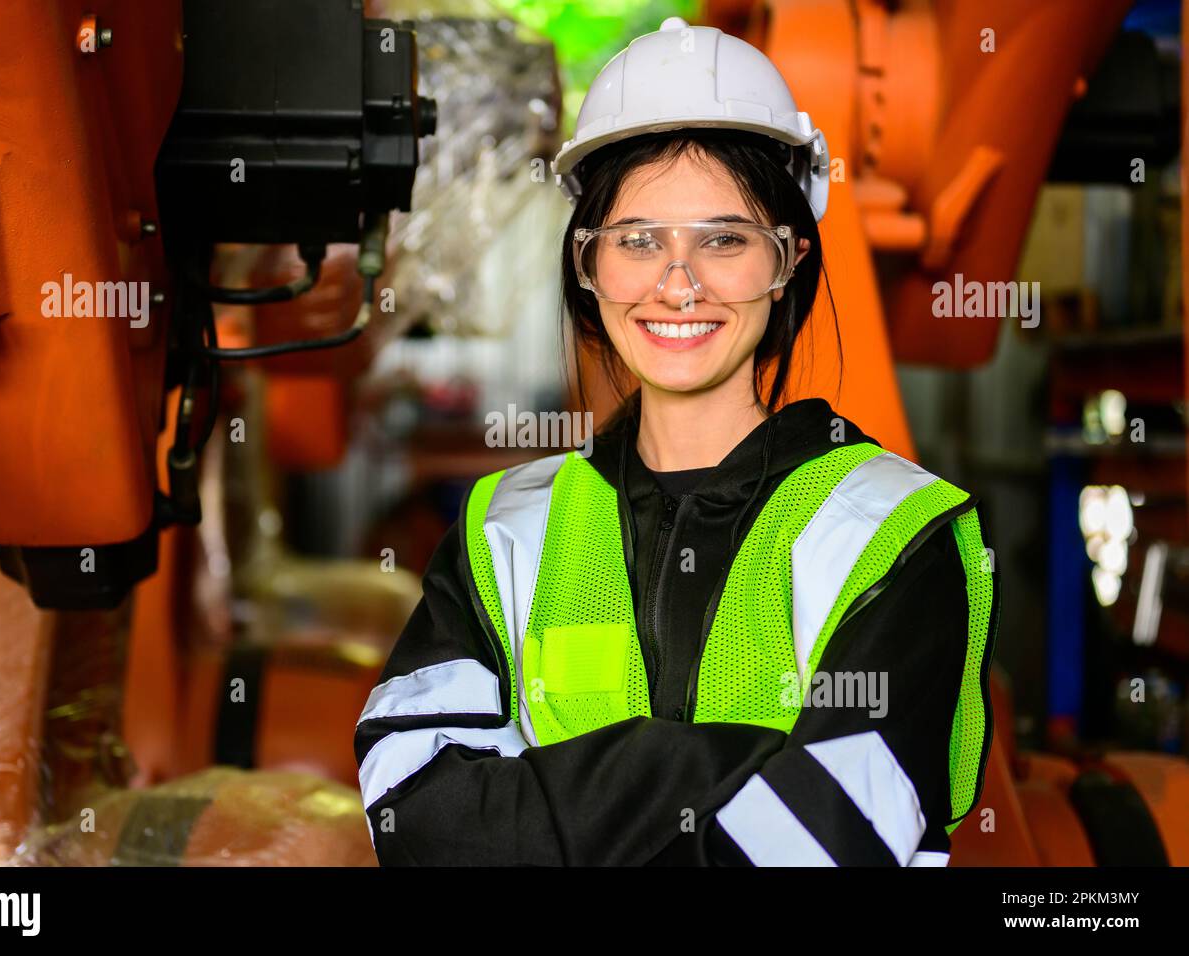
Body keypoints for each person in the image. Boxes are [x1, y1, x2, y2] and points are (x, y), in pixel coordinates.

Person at [353, 17, 997, 866]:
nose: (678, 284)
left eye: (724, 239)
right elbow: (413, 805)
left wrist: (545, 800)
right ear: (589, 266)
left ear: (790, 262)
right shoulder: (501, 532)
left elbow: (829, 836)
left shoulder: (894, 536)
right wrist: (747, 767)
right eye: (639, 240)